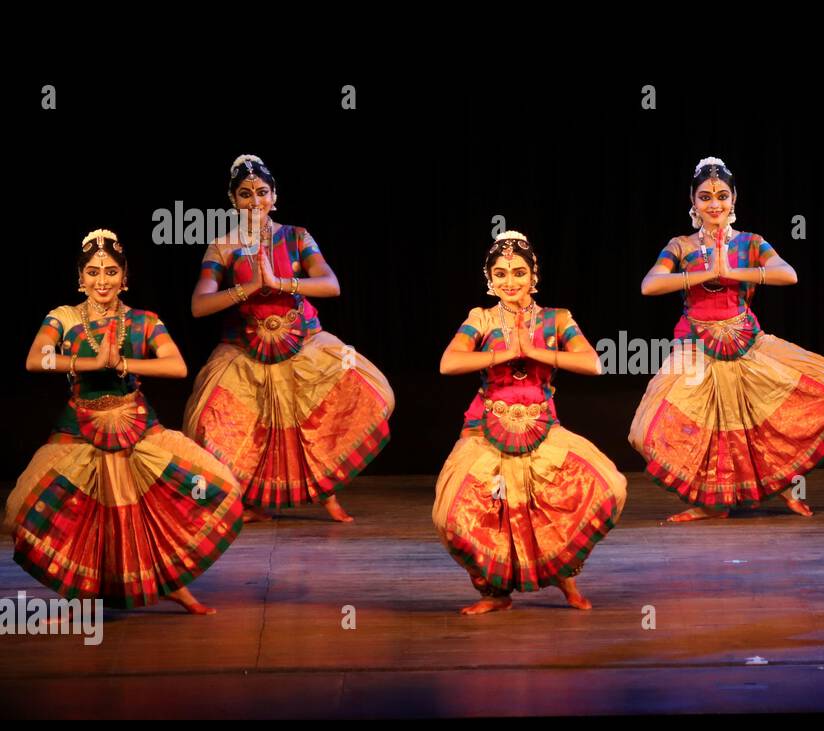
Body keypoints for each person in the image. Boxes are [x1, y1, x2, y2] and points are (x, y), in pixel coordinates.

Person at [4, 229, 243, 614]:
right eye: (94, 272)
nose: (102, 280)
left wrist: (125, 364)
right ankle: (83, 597)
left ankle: (172, 584)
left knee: (193, 493)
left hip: (136, 424)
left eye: (111, 271)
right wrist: (91, 364)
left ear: (125, 277)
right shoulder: (62, 318)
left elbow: (176, 365)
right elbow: (37, 358)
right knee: (45, 510)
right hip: (80, 427)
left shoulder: (144, 320)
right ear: (80, 279)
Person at [630, 157, 824, 521]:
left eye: (721, 195)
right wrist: (702, 276)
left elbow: (788, 274)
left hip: (747, 342)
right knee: (647, 432)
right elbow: (650, 284)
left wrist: (732, 271)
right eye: (705, 196)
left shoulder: (752, 243)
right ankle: (711, 501)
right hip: (695, 345)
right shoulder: (681, 246)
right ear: (693, 200)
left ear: (734, 199)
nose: (713, 203)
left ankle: (781, 488)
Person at [184, 155, 394, 522]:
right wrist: (248, 288)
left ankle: (325, 490)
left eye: (262, 192)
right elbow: (199, 305)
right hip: (243, 348)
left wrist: (280, 283)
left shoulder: (297, 237)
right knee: (210, 417)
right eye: (245, 193)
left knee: (367, 391)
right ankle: (246, 499)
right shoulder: (222, 247)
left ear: (274, 196)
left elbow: (331, 284)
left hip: (305, 342)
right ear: (233, 200)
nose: (254, 200)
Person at [433, 232, 626, 615]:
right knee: (451, 515)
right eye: (501, 273)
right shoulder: (482, 319)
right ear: (489, 278)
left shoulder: (557, 319)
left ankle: (565, 580)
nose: (510, 281)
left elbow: (592, 362)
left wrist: (532, 350)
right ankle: (495, 593)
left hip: (541, 427)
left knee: (606, 489)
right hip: (487, 427)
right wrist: (502, 353)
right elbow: (449, 362)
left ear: (533, 275)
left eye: (519, 272)